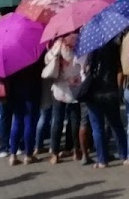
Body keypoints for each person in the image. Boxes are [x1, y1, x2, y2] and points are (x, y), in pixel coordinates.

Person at [82, 39, 129, 169]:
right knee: (116, 124)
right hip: (110, 91)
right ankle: (124, 155)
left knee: (97, 127)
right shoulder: (114, 47)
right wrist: (119, 89)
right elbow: (120, 69)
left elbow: (86, 69)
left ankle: (102, 160)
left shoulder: (91, 47)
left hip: (93, 92)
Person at [43, 34, 82, 164]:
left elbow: (47, 59)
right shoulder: (81, 40)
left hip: (60, 86)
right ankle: (76, 150)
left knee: (58, 120)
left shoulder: (60, 43)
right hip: (76, 85)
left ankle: (54, 153)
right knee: (75, 119)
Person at [4, 61, 44, 165]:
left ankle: (13, 155)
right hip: (32, 89)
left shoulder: (12, 53)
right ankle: (28, 155)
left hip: (15, 90)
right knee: (29, 122)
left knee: (17, 121)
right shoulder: (34, 53)